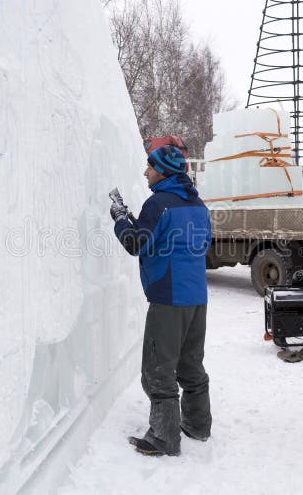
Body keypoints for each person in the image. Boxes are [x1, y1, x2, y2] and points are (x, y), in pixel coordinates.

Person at [111, 144, 212, 457]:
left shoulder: (158, 204)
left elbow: (135, 244)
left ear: (164, 172)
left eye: (150, 167)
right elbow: (197, 243)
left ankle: (164, 437)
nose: (146, 172)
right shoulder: (198, 204)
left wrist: (119, 219)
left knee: (158, 369)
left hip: (169, 298)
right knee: (190, 363)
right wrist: (134, 219)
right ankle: (197, 424)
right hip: (197, 297)